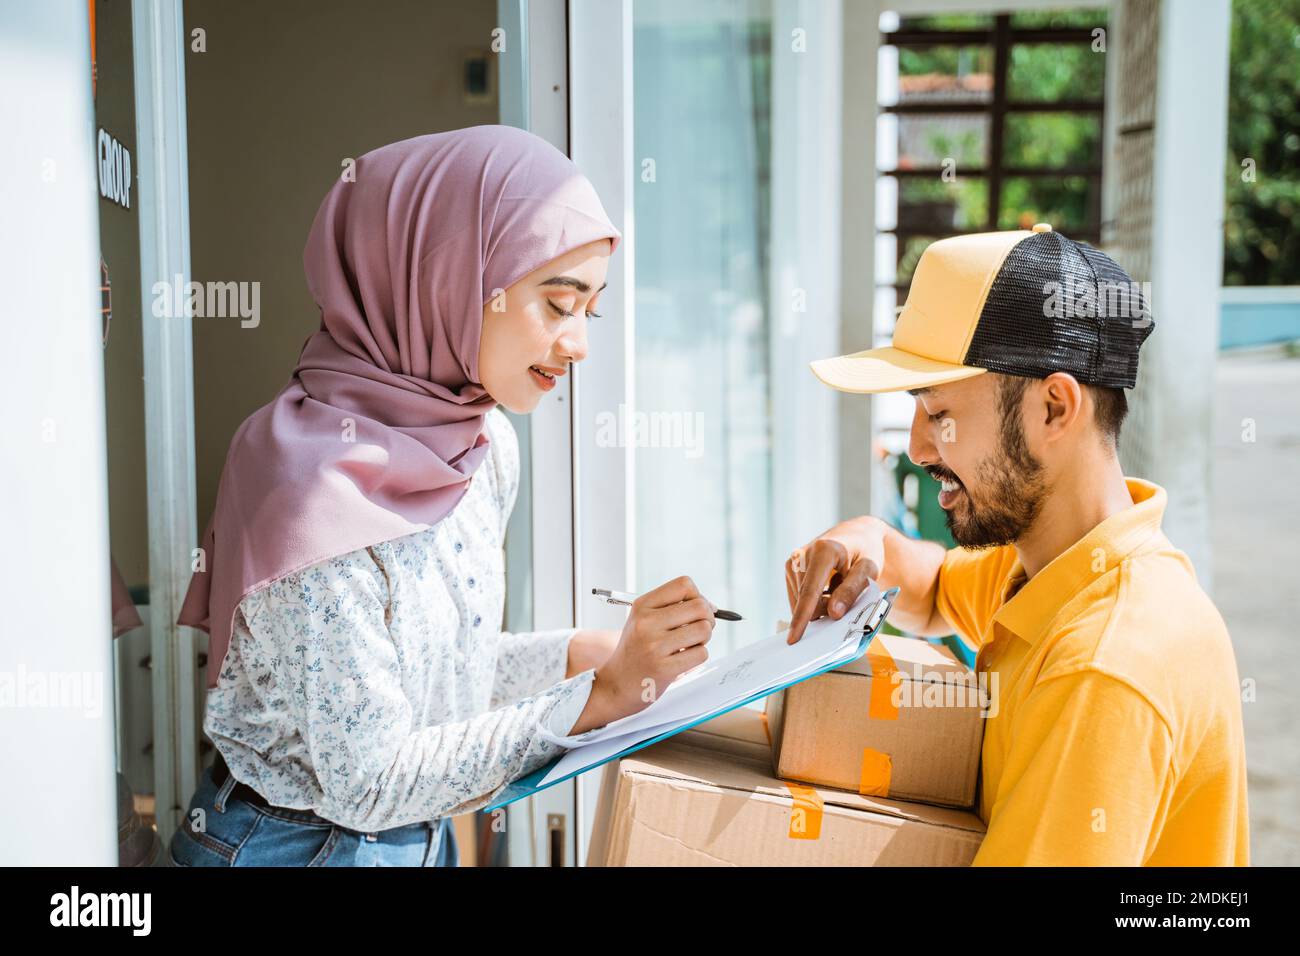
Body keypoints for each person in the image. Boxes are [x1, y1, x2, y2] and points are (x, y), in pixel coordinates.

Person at [168, 126, 717, 867]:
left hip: (414, 840)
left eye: (593, 308)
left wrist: (579, 656)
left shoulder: (483, 445)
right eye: (558, 304)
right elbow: (364, 779)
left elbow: (433, 679)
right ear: (453, 280)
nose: (580, 342)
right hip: (291, 849)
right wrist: (601, 697)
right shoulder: (304, 487)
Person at [785, 225, 1249, 866]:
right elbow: (939, 592)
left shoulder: (1102, 670)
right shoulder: (1059, 565)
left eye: (939, 410)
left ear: (1055, 408)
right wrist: (870, 541)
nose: (919, 448)